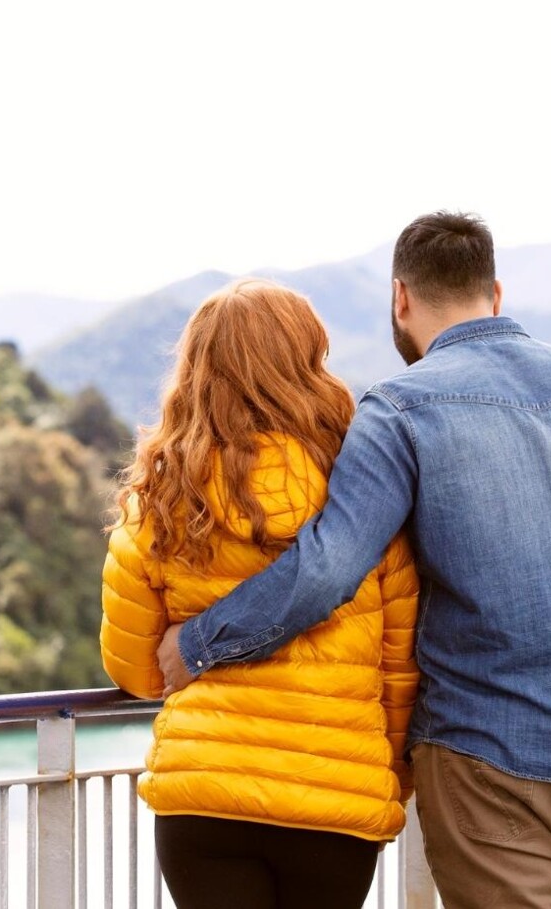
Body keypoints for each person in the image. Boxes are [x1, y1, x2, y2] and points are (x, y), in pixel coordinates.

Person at [157, 212, 551, 909]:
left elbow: (329, 567)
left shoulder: (399, 410)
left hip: (483, 765)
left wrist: (200, 643)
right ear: (495, 292)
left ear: (401, 298)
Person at [100, 278, 420, 909]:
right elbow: (400, 672)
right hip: (334, 795)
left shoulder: (160, 499)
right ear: (307, 364)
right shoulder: (361, 502)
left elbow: (135, 670)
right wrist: (385, 777)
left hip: (205, 796)